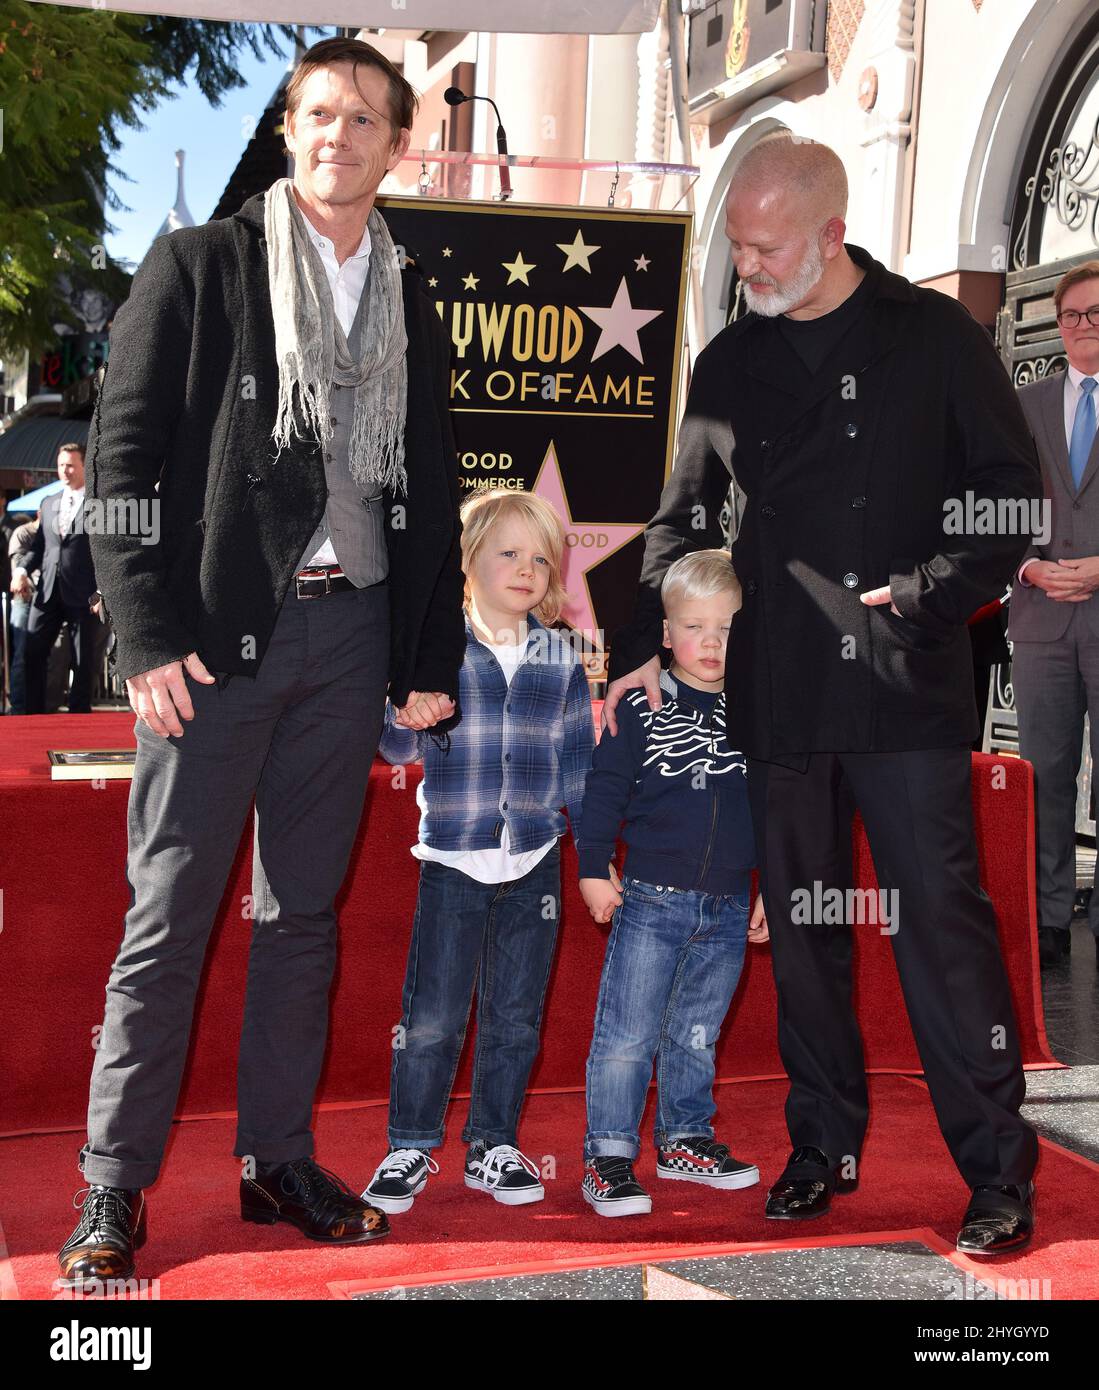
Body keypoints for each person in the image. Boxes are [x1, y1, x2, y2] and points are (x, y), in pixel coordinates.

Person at [58, 37, 465, 1288]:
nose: (335, 133)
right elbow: (118, 468)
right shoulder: (200, 266)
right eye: (315, 113)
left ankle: (276, 1159)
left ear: (399, 145)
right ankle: (111, 1190)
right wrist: (143, 637)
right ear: (290, 131)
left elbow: (429, 493)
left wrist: (422, 655)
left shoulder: (408, 293)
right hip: (213, 641)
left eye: (361, 118)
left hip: (352, 637)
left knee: (302, 917)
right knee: (168, 917)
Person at [604, 133, 1041, 1256]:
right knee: (804, 937)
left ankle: (996, 1172)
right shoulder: (731, 362)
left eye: (762, 247)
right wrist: (664, 617)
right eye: (736, 248)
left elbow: (1008, 501)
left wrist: (931, 591)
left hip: (906, 694)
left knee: (942, 935)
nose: (743, 268)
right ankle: (821, 1144)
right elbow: (682, 516)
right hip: (781, 700)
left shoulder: (939, 338)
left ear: (829, 235)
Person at [362, 490, 595, 1213]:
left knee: (516, 1015)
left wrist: (591, 858)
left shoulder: (562, 657)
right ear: (466, 562)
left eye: (538, 558)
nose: (524, 569)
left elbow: (578, 763)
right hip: (453, 860)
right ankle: (410, 1141)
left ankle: (493, 1143)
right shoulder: (436, 649)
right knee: (431, 1014)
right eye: (507, 553)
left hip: (534, 861)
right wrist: (408, 707)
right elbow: (393, 745)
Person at [577, 549, 767, 1217]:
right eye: (693, 626)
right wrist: (592, 866)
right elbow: (601, 790)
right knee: (625, 1032)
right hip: (650, 898)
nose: (710, 643)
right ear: (665, 635)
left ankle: (684, 1138)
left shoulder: (760, 714)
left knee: (696, 1030)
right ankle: (608, 1155)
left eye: (727, 628)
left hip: (727, 902)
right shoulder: (641, 703)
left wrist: (769, 883)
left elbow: (775, 806)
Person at [1008, 260, 1099, 971]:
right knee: (1042, 774)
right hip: (1040, 618)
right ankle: (1045, 916)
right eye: (1071, 315)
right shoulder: (1025, 403)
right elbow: (993, 500)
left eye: (1095, 314)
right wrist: (1028, 563)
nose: (1082, 328)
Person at [13, 445, 102, 713]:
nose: (65, 470)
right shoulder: (48, 502)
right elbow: (40, 547)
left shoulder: (100, 505)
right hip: (47, 591)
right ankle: (33, 714)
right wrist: (21, 571)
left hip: (85, 594)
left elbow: (106, 550)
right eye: (62, 465)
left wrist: (102, 590)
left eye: (71, 465)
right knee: (32, 652)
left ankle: (79, 717)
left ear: (85, 466)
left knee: (82, 661)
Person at [6, 513, 38, 714]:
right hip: (24, 600)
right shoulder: (22, 533)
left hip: (46, 600)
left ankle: (38, 703)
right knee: (20, 654)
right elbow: (18, 565)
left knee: (42, 654)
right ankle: (18, 706)